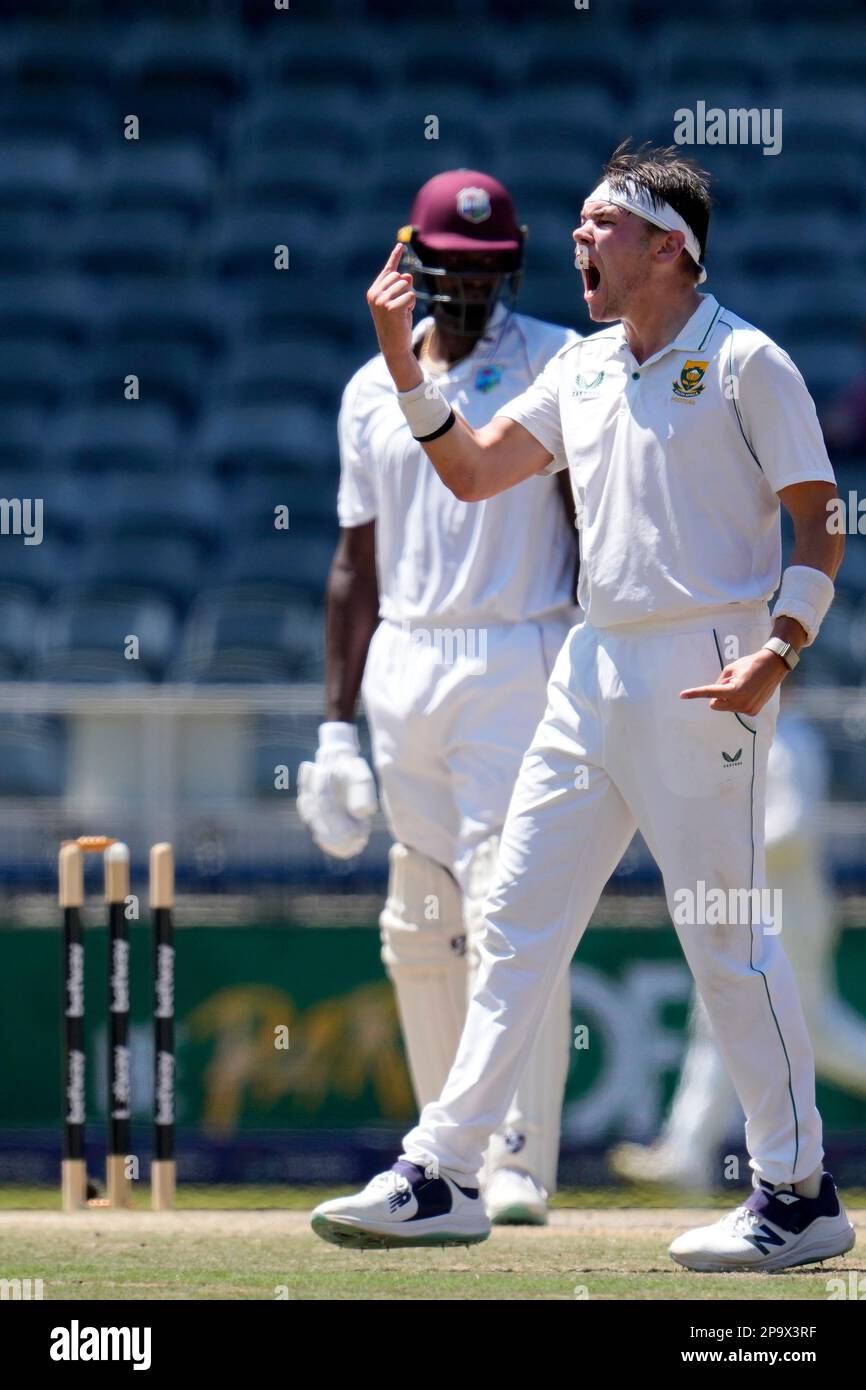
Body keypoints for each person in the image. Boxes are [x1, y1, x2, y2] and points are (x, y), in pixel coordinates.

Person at [310, 141, 855, 1273]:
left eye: (600, 226)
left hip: (705, 668)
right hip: (589, 666)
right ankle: (448, 1169)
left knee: (723, 937)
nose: (575, 243)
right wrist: (401, 369)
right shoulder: (587, 366)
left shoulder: (749, 363)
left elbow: (821, 522)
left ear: (670, 246)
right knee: (509, 917)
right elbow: (468, 471)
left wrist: (778, 647)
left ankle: (795, 1193)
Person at [297, 170, 580, 1224]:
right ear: (409, 263)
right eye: (447, 272)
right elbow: (351, 567)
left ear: (510, 269)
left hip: (519, 651)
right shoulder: (370, 387)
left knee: (509, 906)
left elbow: (589, 533)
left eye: (486, 273)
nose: (466, 294)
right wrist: (332, 730)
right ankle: (440, 1164)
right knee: (420, 921)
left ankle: (515, 1161)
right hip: (404, 666)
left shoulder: (555, 363)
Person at [610, 706, 866, 1190]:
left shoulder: (791, 738)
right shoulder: (738, 737)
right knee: (719, 1021)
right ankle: (684, 1153)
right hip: (753, 907)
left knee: (815, 1032)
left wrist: (719, 848)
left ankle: (685, 1153)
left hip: (791, 913)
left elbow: (795, 829)